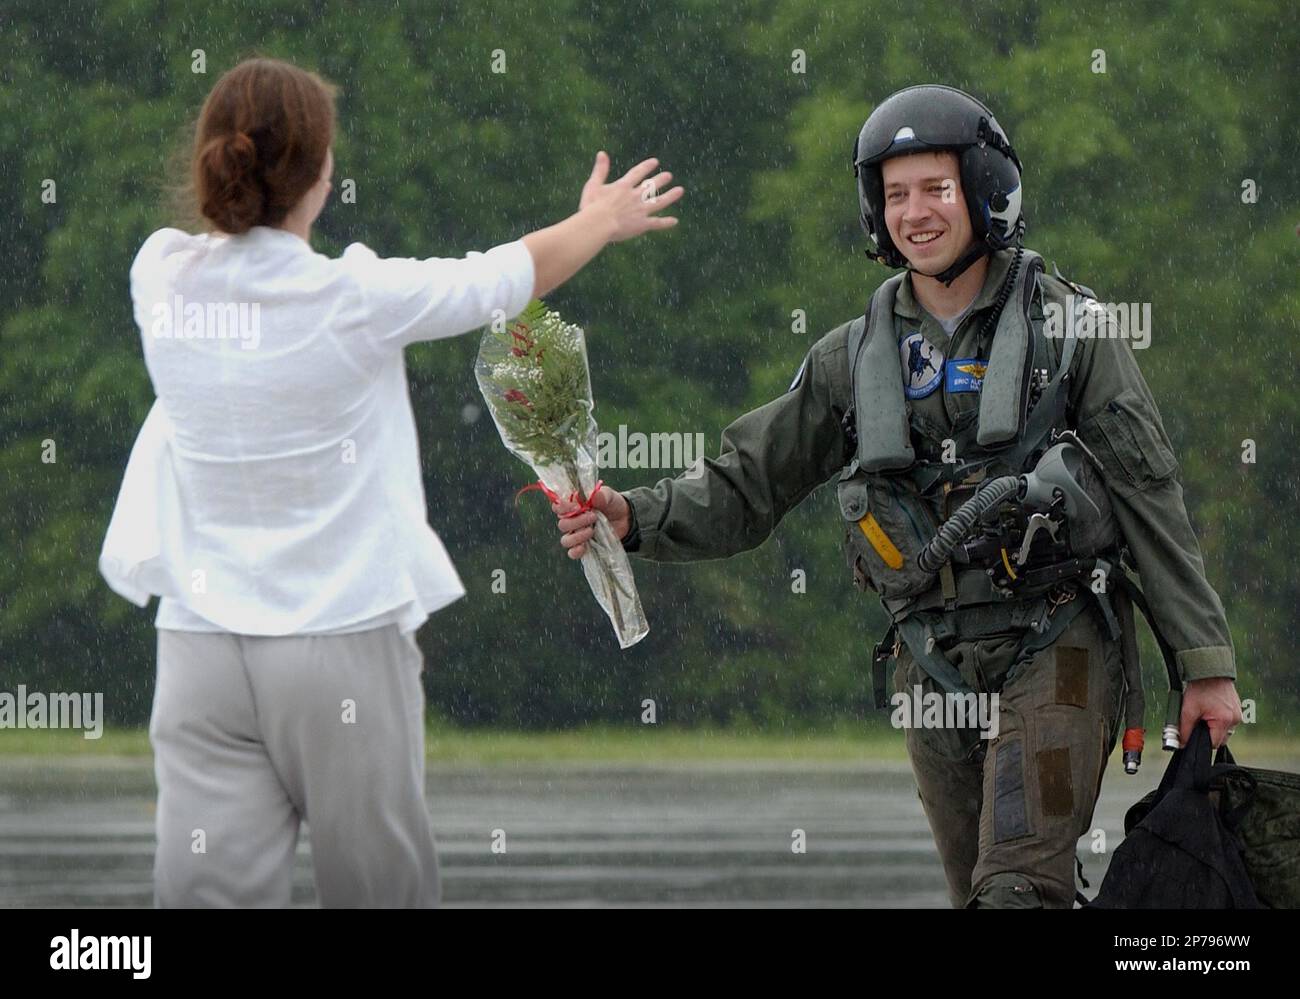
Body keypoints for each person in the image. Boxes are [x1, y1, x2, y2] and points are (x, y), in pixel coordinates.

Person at [552, 84, 1243, 909]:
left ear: (984, 191)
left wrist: (1203, 666)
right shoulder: (854, 358)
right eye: (896, 193)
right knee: (978, 895)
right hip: (930, 661)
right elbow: (748, 480)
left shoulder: (1072, 331)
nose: (915, 212)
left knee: (1016, 890)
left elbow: (1148, 497)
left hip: (1057, 641)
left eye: (936, 189)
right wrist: (634, 516)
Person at [99, 56, 683, 908]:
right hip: (339, 641)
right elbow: (503, 277)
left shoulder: (160, 276)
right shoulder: (354, 297)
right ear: (320, 175)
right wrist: (598, 220)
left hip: (198, 649)